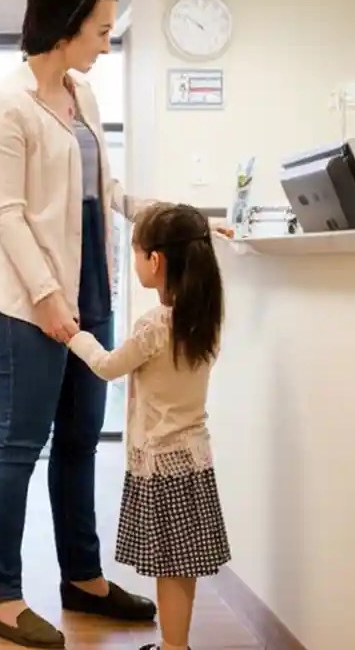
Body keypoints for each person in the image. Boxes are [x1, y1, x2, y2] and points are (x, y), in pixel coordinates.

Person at [0, 0, 156, 649]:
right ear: (65, 26)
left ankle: (83, 578)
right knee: (19, 444)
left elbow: (97, 189)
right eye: (101, 30)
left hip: (90, 287)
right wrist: (48, 300)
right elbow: (9, 215)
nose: (107, 44)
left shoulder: (81, 94)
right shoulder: (7, 103)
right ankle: (1, 594)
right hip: (27, 300)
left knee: (80, 439)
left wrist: (164, 212)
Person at [67, 203, 232, 650]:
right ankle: (176, 645)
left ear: (154, 261)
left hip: (160, 461)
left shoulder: (155, 325)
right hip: (195, 459)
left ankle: (174, 648)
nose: (134, 259)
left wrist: (73, 335)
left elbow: (105, 366)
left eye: (136, 251)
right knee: (184, 565)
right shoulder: (205, 319)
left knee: (169, 566)